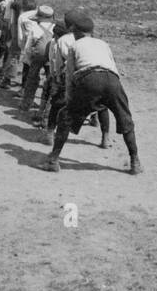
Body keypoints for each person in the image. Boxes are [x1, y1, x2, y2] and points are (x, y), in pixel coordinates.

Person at [42, 10, 142, 174]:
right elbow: (112, 65)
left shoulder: (75, 45)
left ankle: (53, 159)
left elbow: (70, 75)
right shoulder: (103, 43)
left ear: (75, 32)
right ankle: (135, 161)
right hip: (113, 80)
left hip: (89, 78)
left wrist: (70, 97)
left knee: (65, 116)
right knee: (125, 119)